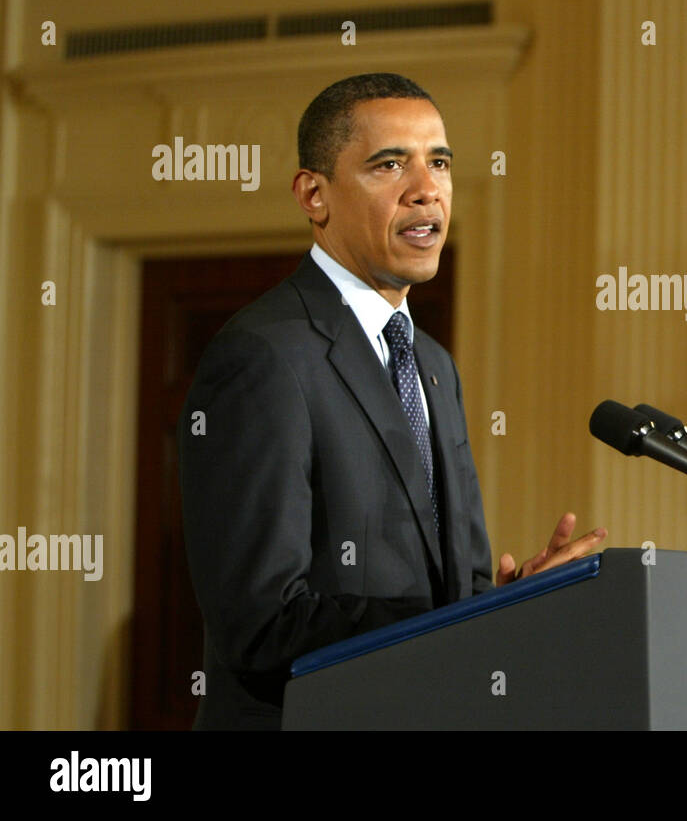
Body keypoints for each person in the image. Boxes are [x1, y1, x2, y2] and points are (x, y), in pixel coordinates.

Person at [178, 73, 605, 729]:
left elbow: (459, 585)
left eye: (440, 162)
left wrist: (510, 604)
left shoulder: (432, 364)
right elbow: (261, 623)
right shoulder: (262, 356)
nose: (426, 188)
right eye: (390, 164)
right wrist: (455, 621)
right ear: (314, 195)